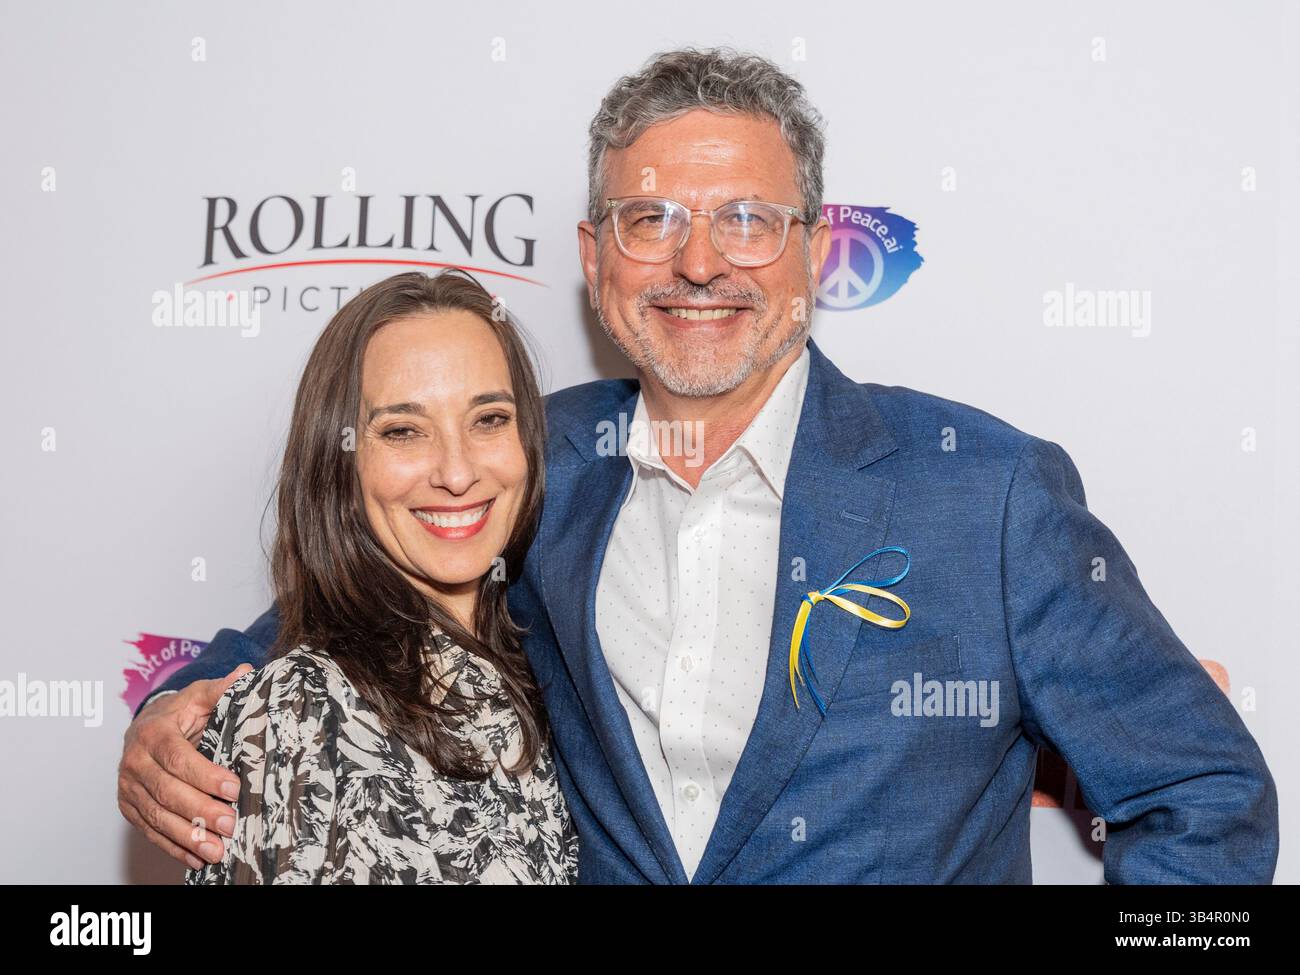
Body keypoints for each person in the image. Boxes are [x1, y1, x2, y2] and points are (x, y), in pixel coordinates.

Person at [120, 47, 1277, 884]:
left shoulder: (985, 491)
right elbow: (336, 614)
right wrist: (171, 714)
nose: (699, 262)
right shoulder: (532, 460)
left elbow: (1205, 794)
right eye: (650, 219)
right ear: (593, 255)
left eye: (747, 219)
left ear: (814, 251)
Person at [180, 269, 576, 884]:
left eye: (489, 419)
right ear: (338, 464)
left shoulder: (540, 673)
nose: (456, 471)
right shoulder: (300, 711)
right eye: (402, 431)